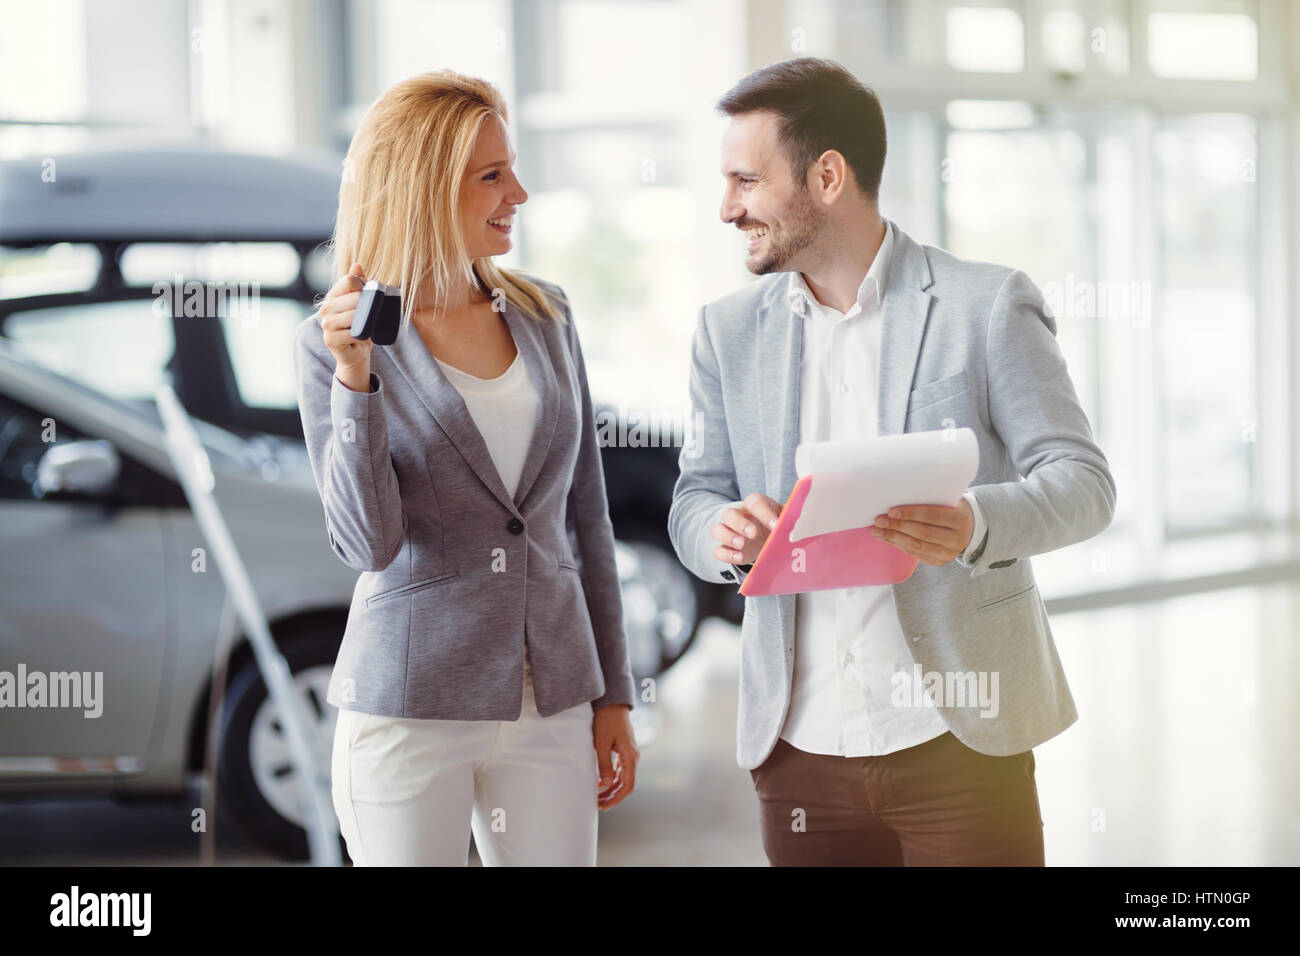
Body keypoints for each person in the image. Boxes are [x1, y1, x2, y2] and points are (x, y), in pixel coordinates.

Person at [668, 57, 1117, 866]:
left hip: (959, 740)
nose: (727, 208)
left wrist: (975, 523)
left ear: (828, 176)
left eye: (745, 180)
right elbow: (695, 496)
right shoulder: (726, 333)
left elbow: (1083, 483)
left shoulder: (984, 306)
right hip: (797, 750)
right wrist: (723, 532)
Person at [292, 70, 638, 866]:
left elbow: (587, 517)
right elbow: (367, 544)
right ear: (422, 187)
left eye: (511, 167)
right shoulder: (334, 343)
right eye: (492, 175)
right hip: (410, 706)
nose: (519, 190)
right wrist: (356, 379)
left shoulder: (547, 315)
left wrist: (612, 692)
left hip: (549, 696)